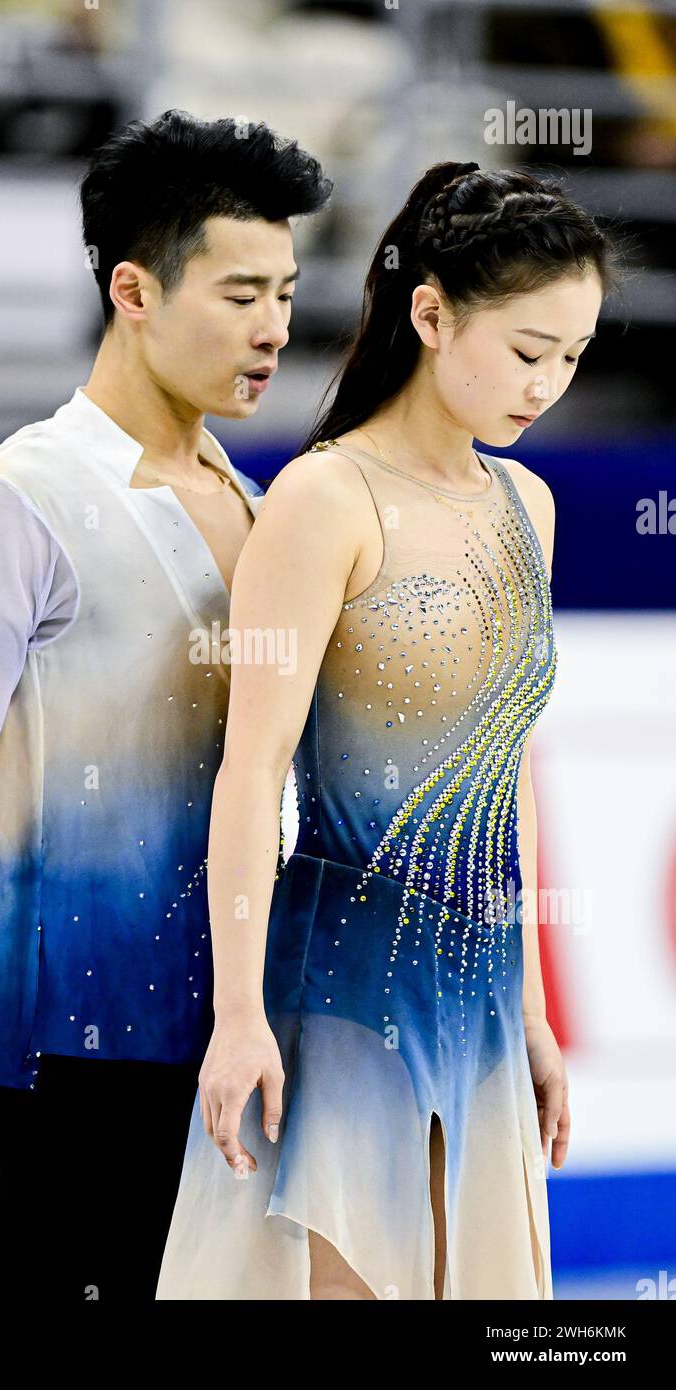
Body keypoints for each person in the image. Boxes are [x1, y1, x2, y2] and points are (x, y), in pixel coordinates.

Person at [0, 108, 332, 1302]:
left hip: (222, 1059)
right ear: (132, 289)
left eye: (284, 293)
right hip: (40, 1076)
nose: (274, 328)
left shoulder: (260, 501)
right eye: (239, 294)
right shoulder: (12, 500)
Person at [156, 160, 624, 1300]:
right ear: (429, 313)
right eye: (525, 353)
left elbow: (500, 779)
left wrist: (532, 1014)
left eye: (570, 358)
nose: (545, 388)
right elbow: (249, 771)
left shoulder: (529, 506)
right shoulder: (325, 501)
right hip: (343, 993)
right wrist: (234, 1016)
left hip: (476, 1000)